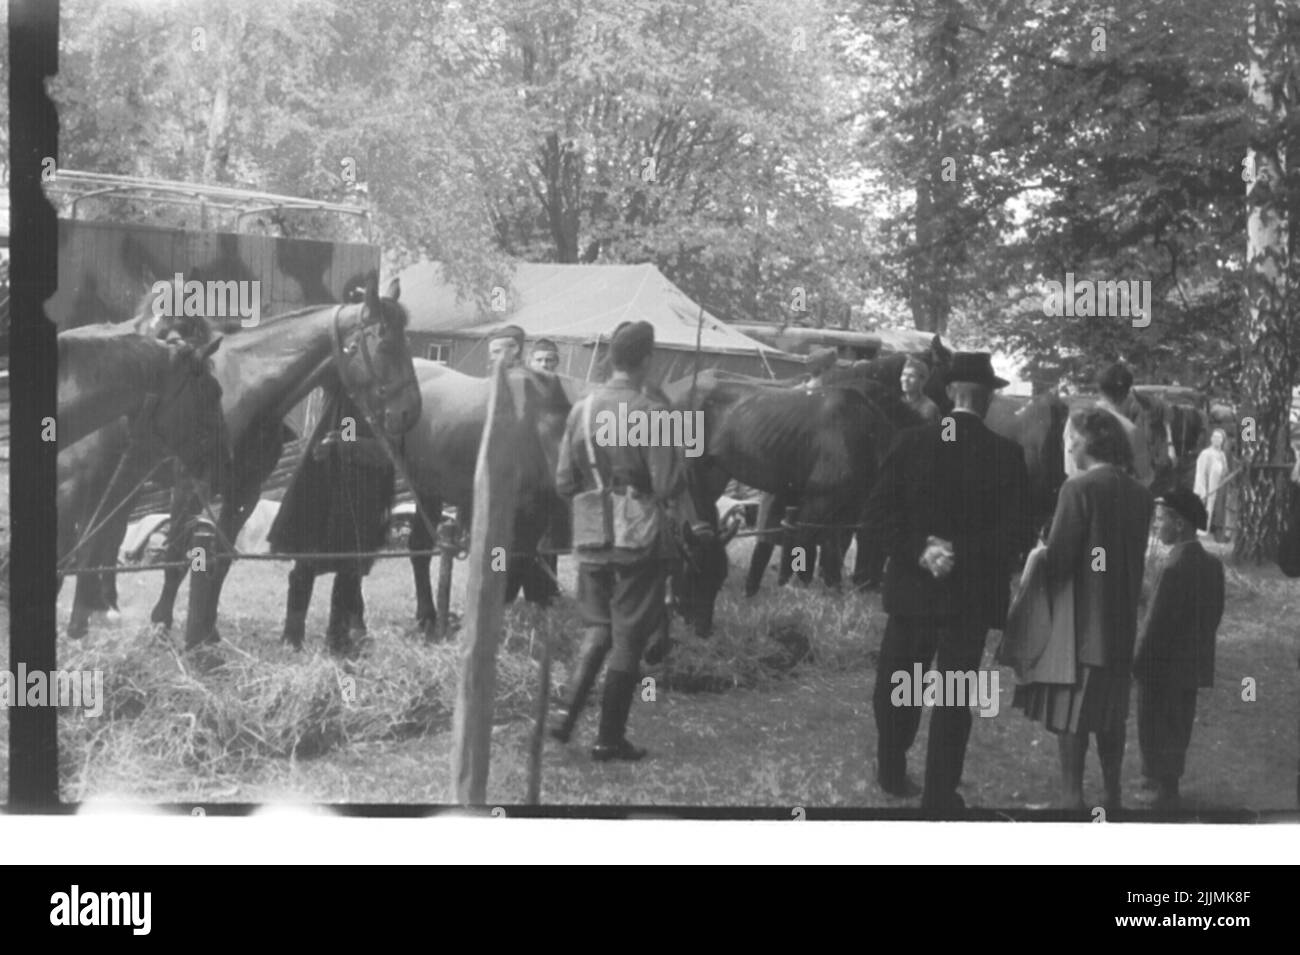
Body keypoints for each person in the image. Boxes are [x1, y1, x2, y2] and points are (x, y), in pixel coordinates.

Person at [864, 352, 1034, 811]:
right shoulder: (1007, 455)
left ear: (948, 394)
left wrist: (923, 550)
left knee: (899, 682)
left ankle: (892, 768)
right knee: (954, 695)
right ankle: (940, 792)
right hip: (970, 598)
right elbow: (1018, 533)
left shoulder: (909, 443)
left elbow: (876, 518)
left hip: (912, 591)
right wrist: (960, 554)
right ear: (987, 398)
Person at [551, 320, 688, 761]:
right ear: (647, 360)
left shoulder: (580, 409)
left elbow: (563, 482)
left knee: (598, 629)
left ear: (611, 359)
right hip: (637, 537)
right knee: (628, 638)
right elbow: (667, 487)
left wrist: (597, 500)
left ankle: (563, 718)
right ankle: (608, 739)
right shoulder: (656, 413)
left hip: (591, 535)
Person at [1014, 408, 1153, 810]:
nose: (1065, 445)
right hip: (1121, 618)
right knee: (1111, 711)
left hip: (1079, 620)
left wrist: (1038, 555)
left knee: (1071, 711)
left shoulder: (1077, 490)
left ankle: (1071, 798)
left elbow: (1059, 561)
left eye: (1067, 439)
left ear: (1080, 442)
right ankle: (1112, 794)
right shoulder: (1140, 494)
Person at [1132, 487, 1225, 810]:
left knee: (1154, 721)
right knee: (1179, 722)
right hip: (1190, 662)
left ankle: (1162, 787)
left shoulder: (1174, 567)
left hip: (1160, 664)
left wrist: (1138, 662)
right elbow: (1213, 614)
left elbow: (1155, 623)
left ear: (1181, 524)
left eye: (1160, 520)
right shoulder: (1211, 565)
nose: (1156, 527)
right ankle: (1166, 782)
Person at [1064, 362, 1154, 487]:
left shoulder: (1074, 421)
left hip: (1075, 494)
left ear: (1099, 389)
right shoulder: (1131, 430)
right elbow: (1145, 478)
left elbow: (1068, 465)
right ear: (1126, 394)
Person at [1194, 428, 1230, 541]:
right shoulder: (1206, 454)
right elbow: (1200, 473)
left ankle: (1218, 531)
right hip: (1207, 488)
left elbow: (1225, 471)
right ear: (1211, 439)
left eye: (1219, 438)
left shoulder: (1222, 455)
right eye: (1214, 437)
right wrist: (1202, 489)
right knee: (1208, 505)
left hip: (1219, 487)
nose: (1216, 440)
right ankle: (1202, 529)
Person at [899, 355, 941, 424]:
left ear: (922, 381)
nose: (905, 379)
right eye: (904, 374)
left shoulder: (929, 408)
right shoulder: (896, 402)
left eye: (911, 376)